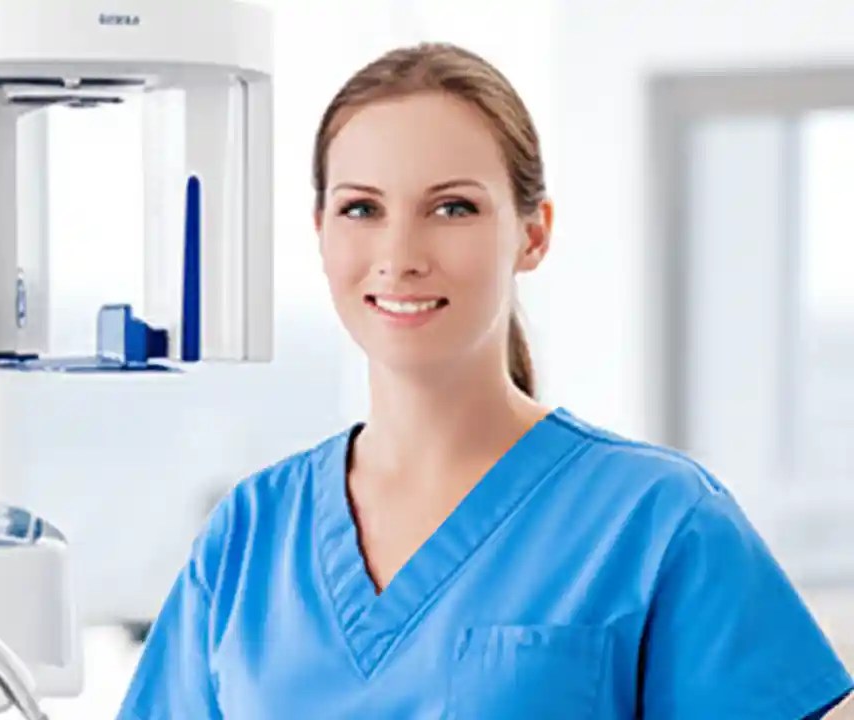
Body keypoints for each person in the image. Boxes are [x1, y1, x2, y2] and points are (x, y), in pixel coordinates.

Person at [115, 42, 854, 719]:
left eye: (452, 208)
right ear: (320, 231)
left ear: (533, 233)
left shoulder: (657, 520)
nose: (399, 254)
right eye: (361, 208)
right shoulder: (249, 537)